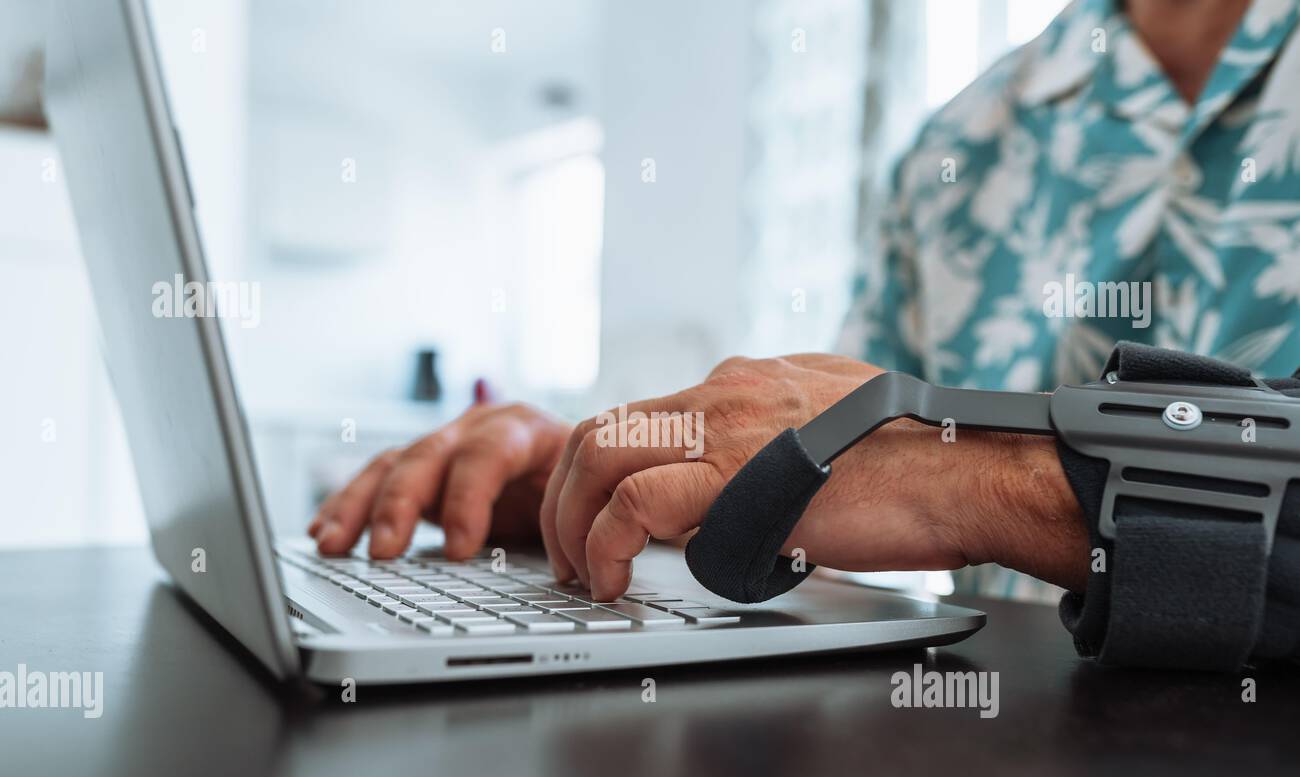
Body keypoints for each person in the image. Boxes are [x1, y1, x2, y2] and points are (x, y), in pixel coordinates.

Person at [310, 0, 1300, 611]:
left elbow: (911, 456)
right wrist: (604, 469)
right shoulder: (955, 146)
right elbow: (836, 475)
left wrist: (963, 474)